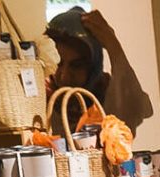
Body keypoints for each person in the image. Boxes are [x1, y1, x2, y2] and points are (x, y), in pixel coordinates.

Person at [46, 6, 152, 135]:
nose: (64, 77)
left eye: (76, 66)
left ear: (93, 68)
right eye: (60, 64)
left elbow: (135, 108)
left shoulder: (107, 92)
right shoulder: (49, 95)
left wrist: (113, 45)